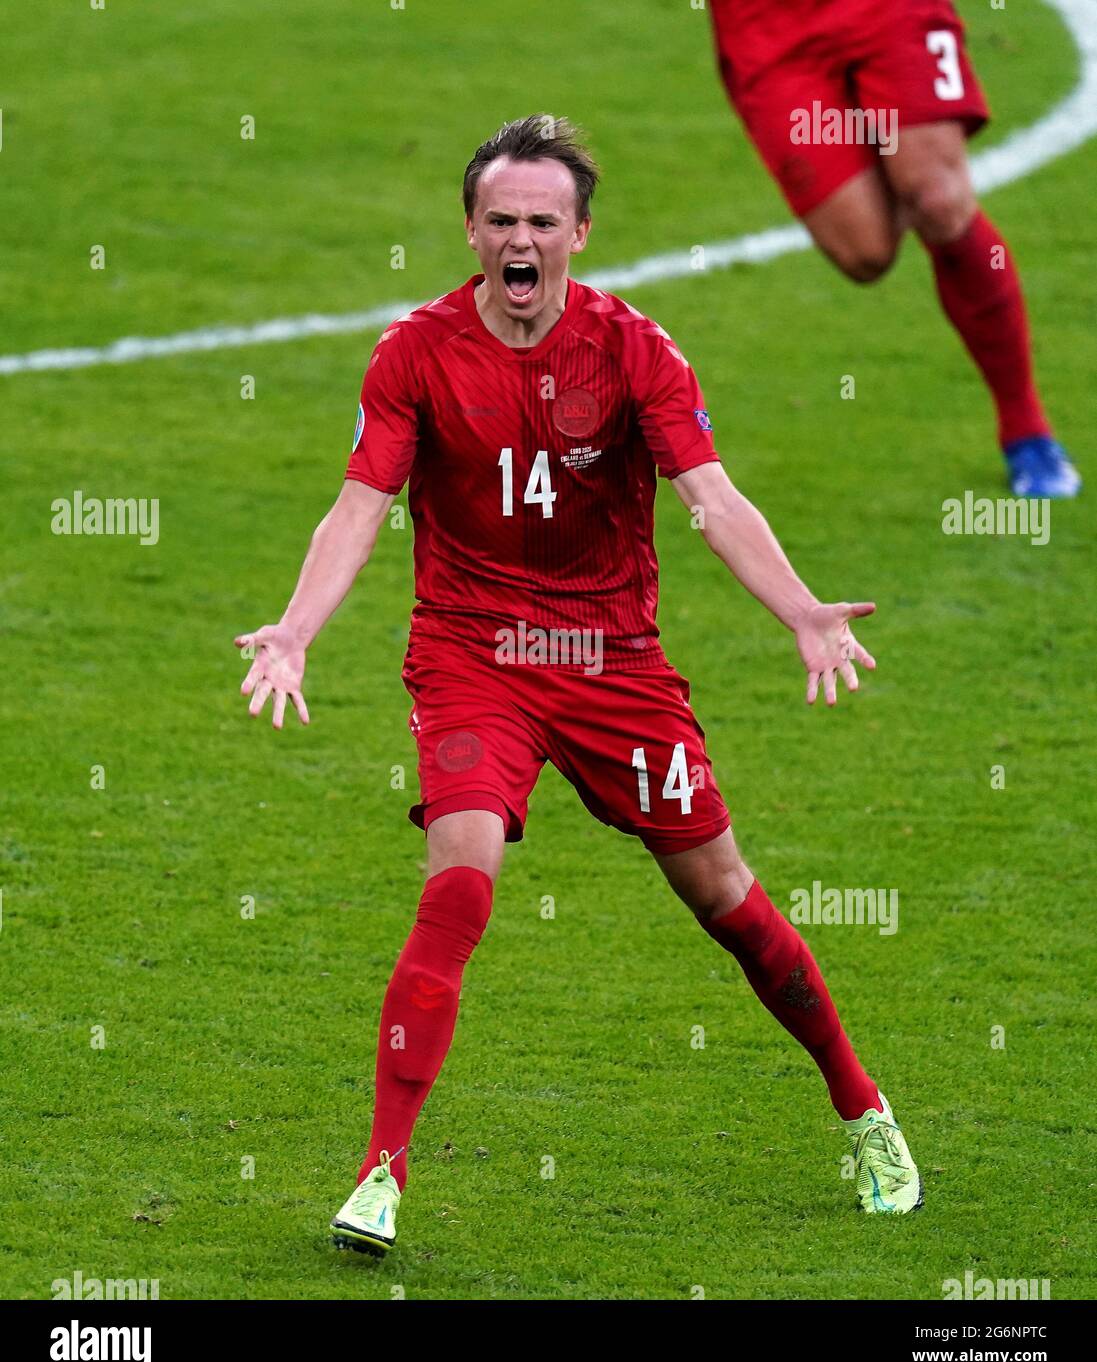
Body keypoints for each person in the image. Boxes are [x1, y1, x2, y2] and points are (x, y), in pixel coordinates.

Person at [235, 115, 922, 1257]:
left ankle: (861, 1107)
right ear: (469, 229)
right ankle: (378, 1174)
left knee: (727, 901)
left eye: (540, 222)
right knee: (459, 877)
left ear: (579, 235)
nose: (519, 239)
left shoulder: (635, 350)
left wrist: (798, 608)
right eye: (499, 219)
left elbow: (709, 495)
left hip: (612, 665)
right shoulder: (413, 350)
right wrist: (295, 633)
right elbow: (360, 502)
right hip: (472, 655)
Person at [708, 0, 1080, 498]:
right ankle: (895, 149)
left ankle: (1027, 432)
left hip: (888, 11)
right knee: (864, 251)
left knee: (938, 200)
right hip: (768, 28)